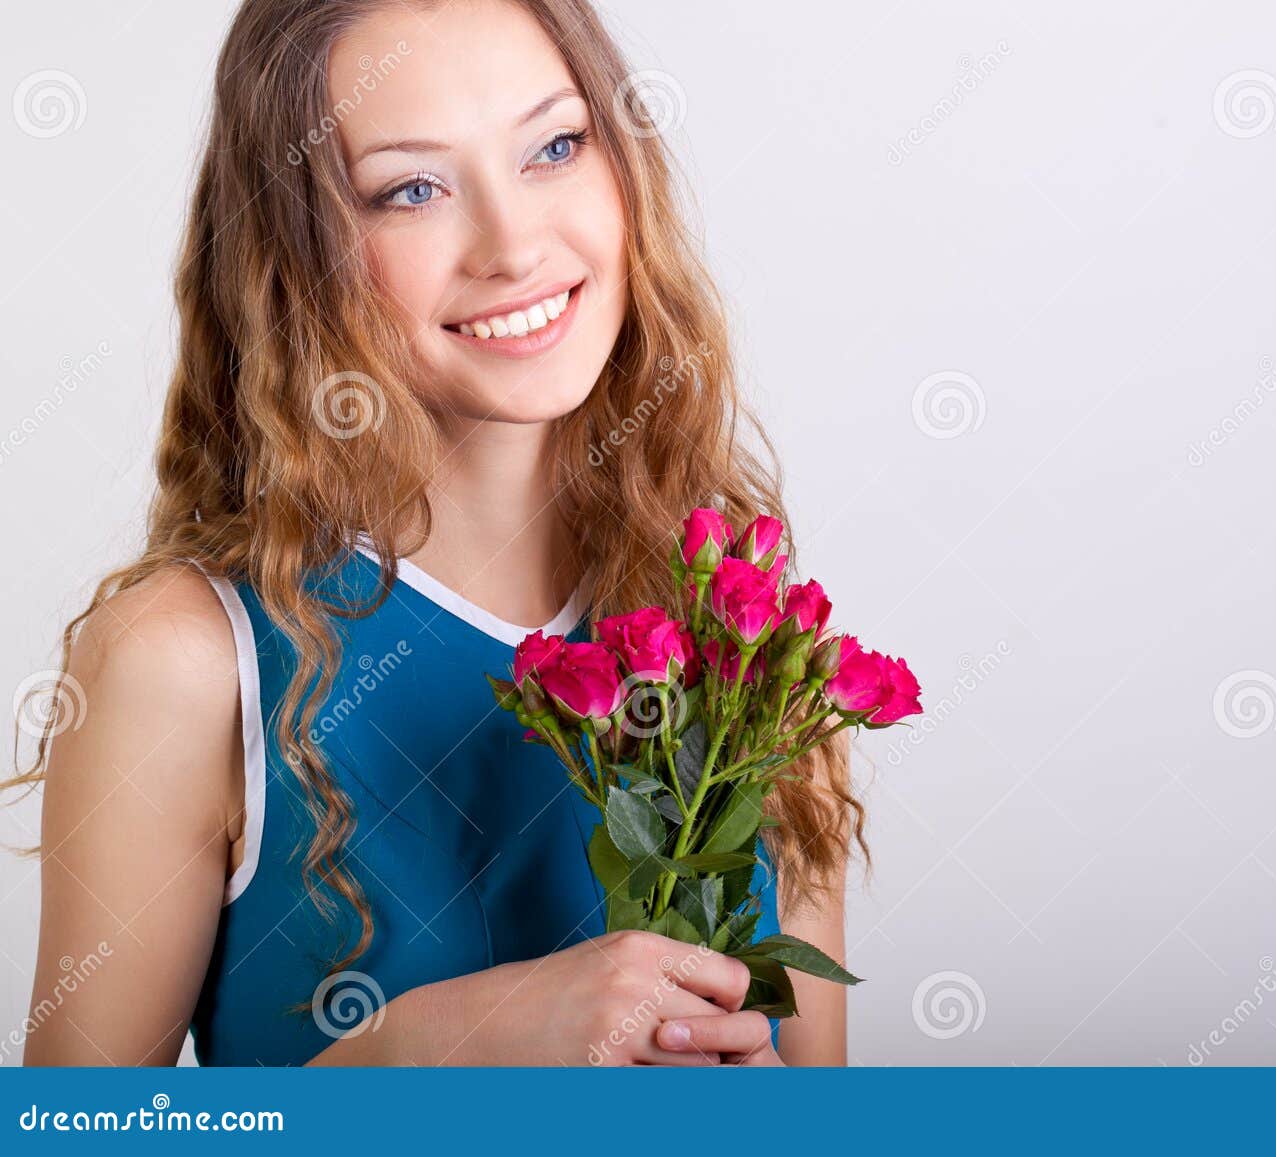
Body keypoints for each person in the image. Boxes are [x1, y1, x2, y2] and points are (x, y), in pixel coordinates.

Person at [6, 0, 863, 1066]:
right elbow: (72, 1128)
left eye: (556, 145)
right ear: (293, 253)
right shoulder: (183, 658)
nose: (515, 245)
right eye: (412, 188)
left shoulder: (743, 629)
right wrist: (418, 1049)